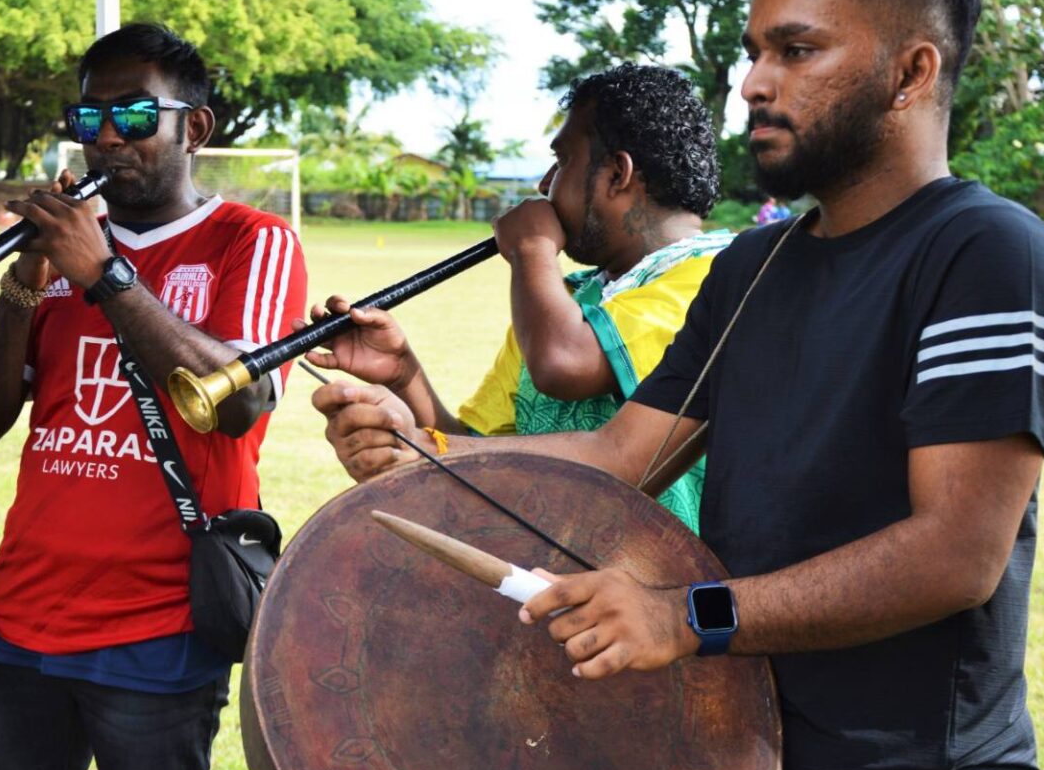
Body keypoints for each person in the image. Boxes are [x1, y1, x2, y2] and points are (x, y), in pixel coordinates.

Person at [314, 0, 1044, 770]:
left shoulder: (988, 254)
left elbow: (954, 555)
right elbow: (620, 456)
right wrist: (424, 449)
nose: (754, 84)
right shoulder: (752, 268)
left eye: (796, 52)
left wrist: (688, 617)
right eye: (755, 50)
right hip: (730, 751)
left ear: (911, 72)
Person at [0, 22, 307, 770]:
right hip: (21, 613)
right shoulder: (65, 250)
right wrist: (23, 285)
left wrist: (105, 274)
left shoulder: (252, 243)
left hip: (161, 624)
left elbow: (240, 401)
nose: (109, 136)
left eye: (137, 116)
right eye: (91, 118)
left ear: (196, 128)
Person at [306, 63, 731, 532]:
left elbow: (563, 366)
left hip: (670, 584)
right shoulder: (567, 301)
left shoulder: (715, 278)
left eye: (563, 160)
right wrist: (404, 373)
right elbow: (475, 451)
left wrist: (531, 248)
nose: (545, 185)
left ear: (617, 174)